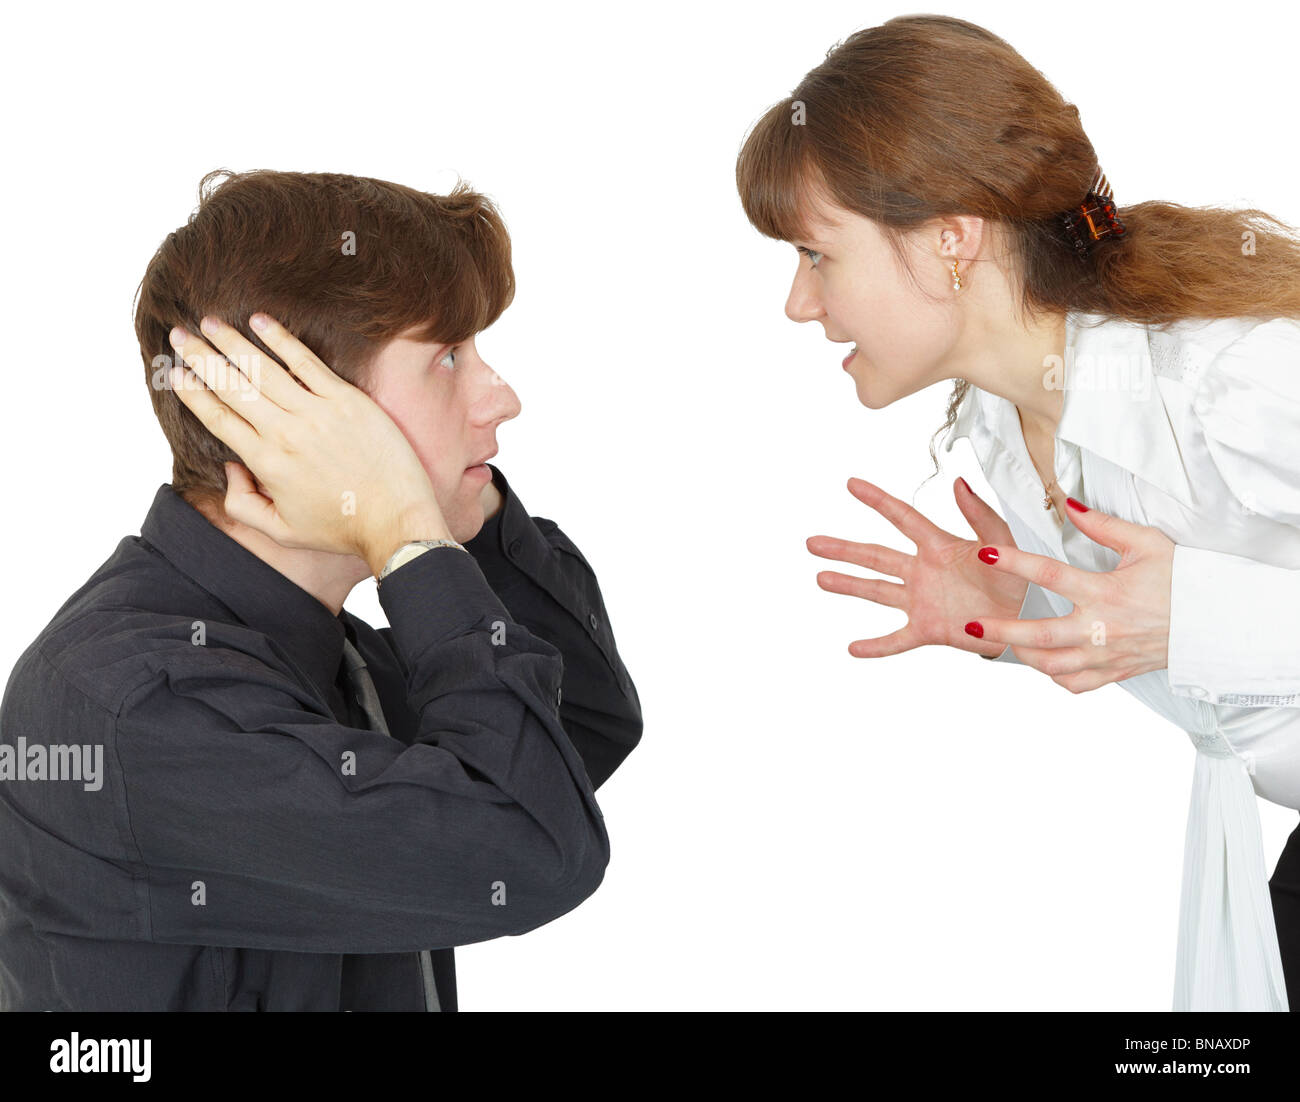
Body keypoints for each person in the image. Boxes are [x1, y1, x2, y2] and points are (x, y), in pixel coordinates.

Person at [735, 14, 1300, 1011]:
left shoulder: (1234, 376)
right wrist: (1036, 614)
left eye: (817, 255)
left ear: (951, 238)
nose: (795, 303)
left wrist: (1196, 615)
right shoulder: (1007, 426)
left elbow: (1210, 619)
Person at [0, 169, 642, 1010]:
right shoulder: (140, 706)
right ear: (297, 406)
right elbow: (526, 845)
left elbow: (585, 721)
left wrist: (451, 509)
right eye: (448, 356)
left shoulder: (336, 653)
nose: (502, 397)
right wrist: (408, 530)